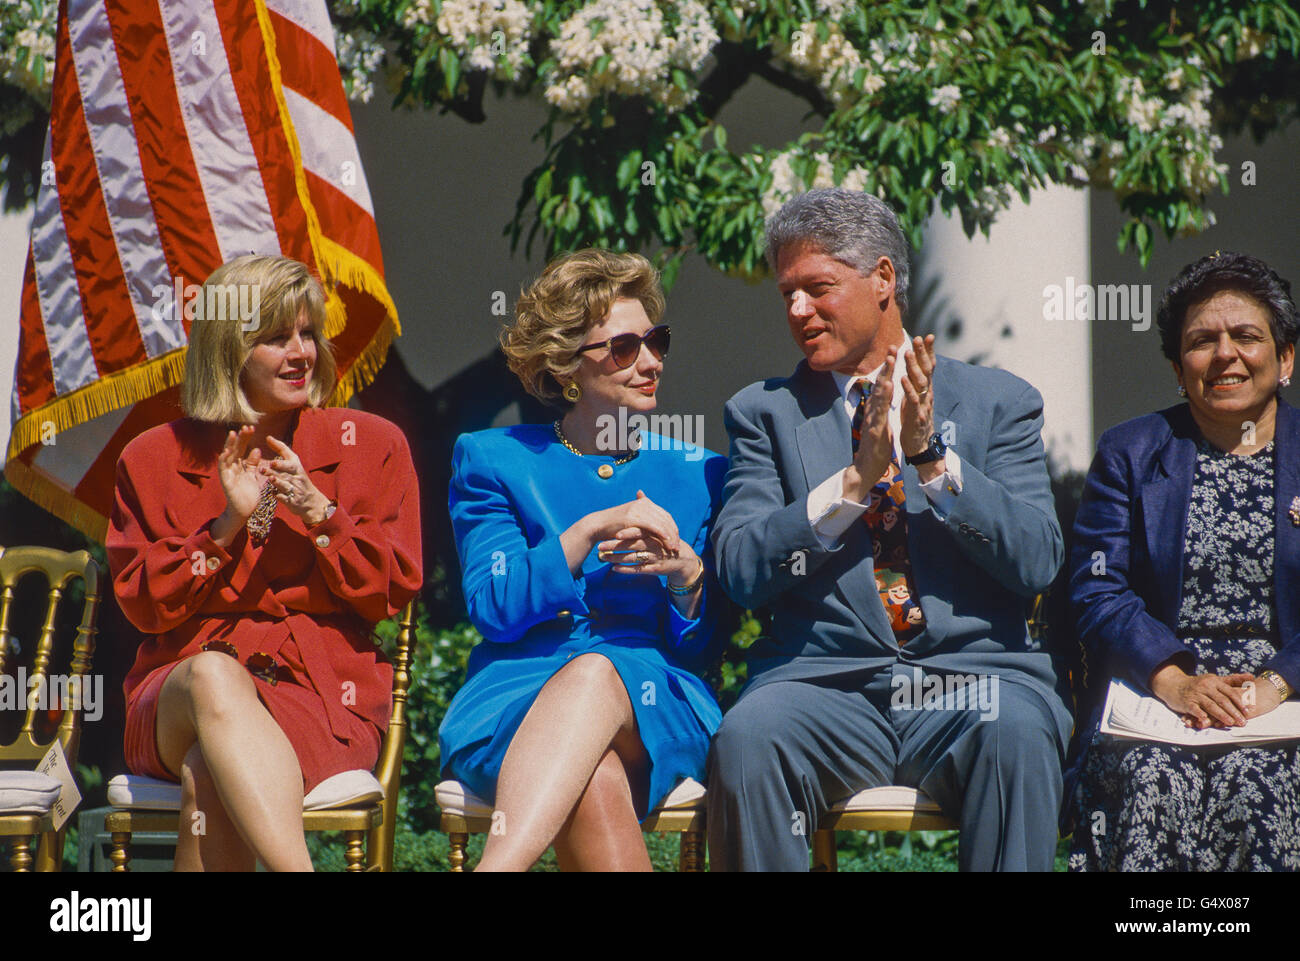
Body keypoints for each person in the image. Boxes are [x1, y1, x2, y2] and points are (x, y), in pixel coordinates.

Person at [707, 187, 1071, 871]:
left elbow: (1036, 561)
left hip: (972, 683)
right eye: (785, 293)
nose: (796, 311)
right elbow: (741, 570)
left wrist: (932, 458)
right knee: (747, 739)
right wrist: (851, 483)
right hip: (821, 687)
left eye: (816, 288)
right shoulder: (764, 413)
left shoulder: (1001, 402)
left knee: (1018, 730)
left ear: (882, 279)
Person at [107, 255, 422, 871]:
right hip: (175, 691)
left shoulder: (373, 445)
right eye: (277, 338)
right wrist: (223, 529)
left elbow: (387, 595)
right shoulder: (151, 457)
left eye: (309, 333)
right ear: (228, 349)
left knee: (210, 770)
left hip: (320, 693)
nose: (301, 352)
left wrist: (321, 515)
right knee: (211, 675)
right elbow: (145, 608)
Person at [438, 248, 727, 871]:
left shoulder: (700, 471)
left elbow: (705, 646)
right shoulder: (493, 458)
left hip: (655, 696)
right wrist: (589, 530)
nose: (650, 362)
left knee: (599, 671)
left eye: (657, 342)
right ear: (567, 364)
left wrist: (687, 580)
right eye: (624, 348)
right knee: (591, 776)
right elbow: (494, 607)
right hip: (518, 691)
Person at [1068, 251, 1300, 871]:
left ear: (1286, 359)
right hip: (1158, 695)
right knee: (1151, 780)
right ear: (1179, 369)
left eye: (1247, 336)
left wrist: (1276, 684)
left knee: (1260, 784)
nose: (1225, 353)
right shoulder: (1131, 452)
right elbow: (1097, 590)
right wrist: (1175, 680)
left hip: (1286, 695)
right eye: (1202, 341)